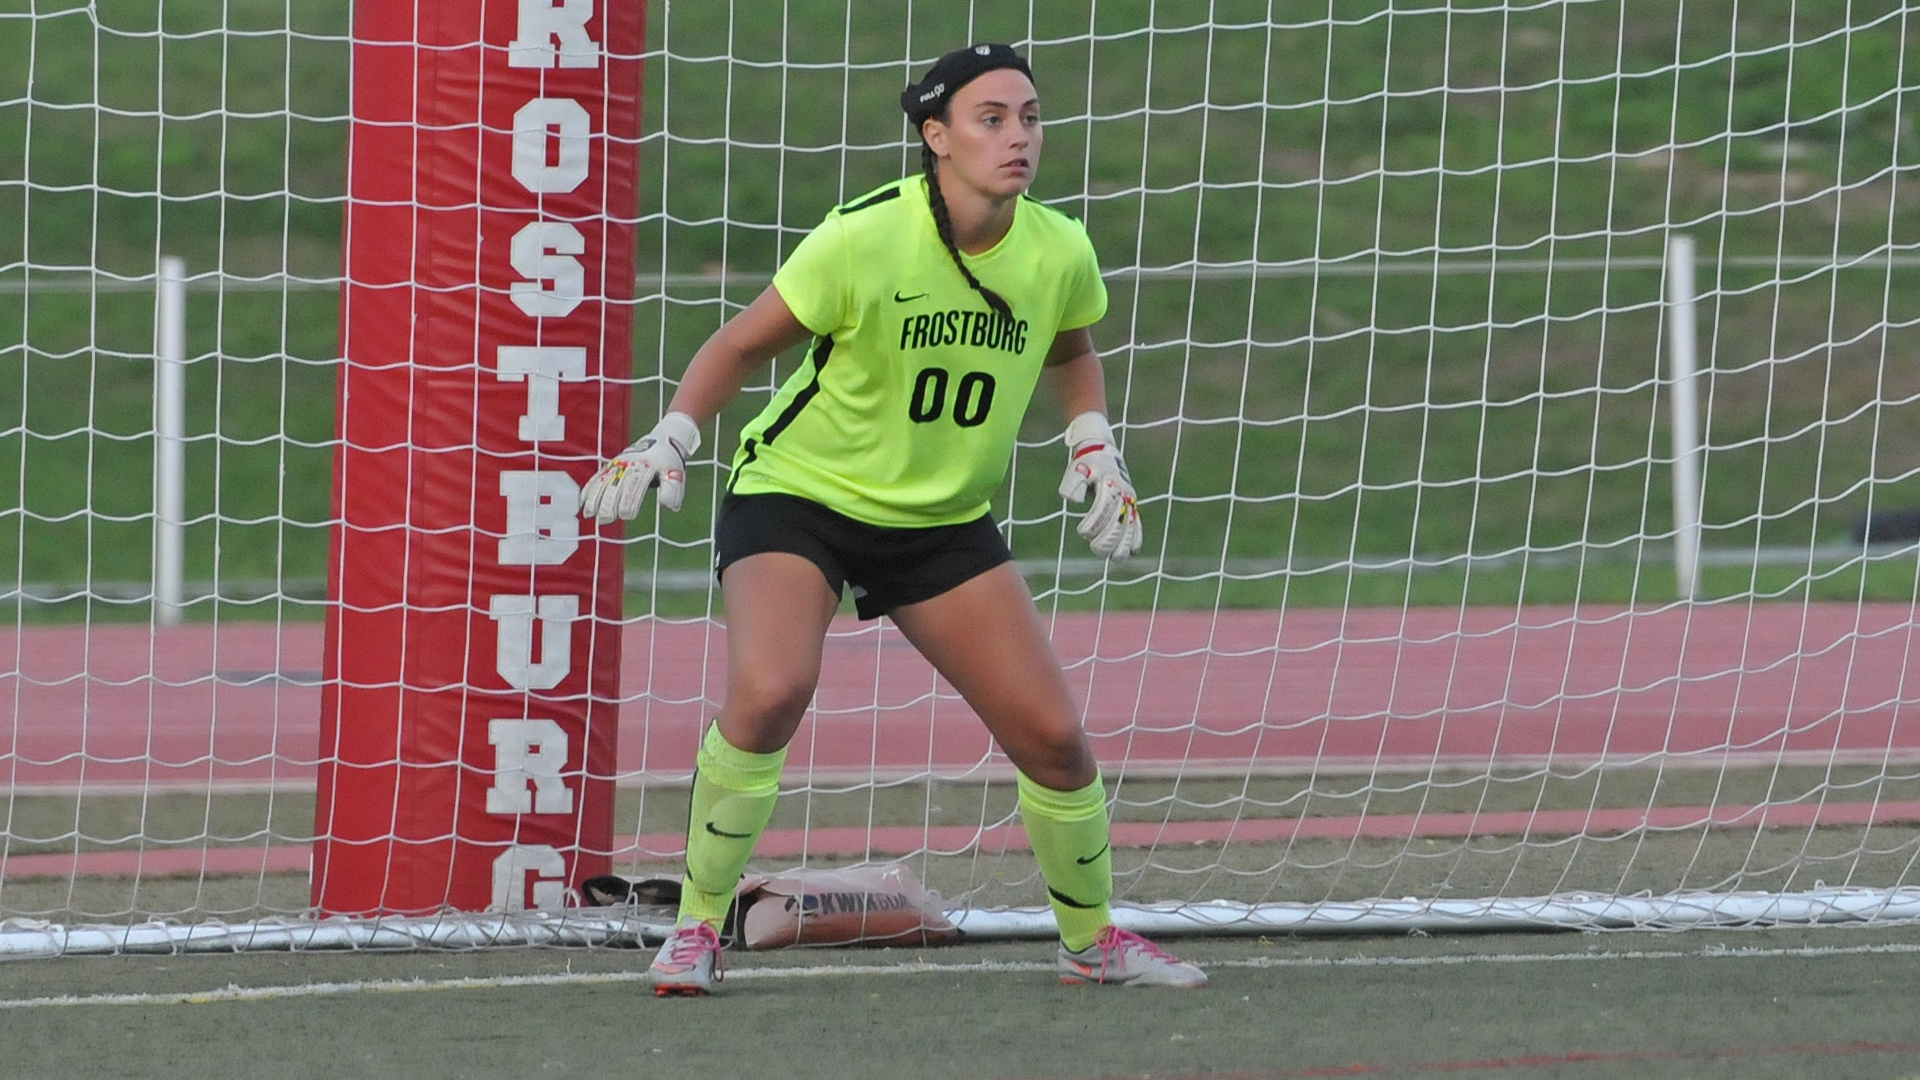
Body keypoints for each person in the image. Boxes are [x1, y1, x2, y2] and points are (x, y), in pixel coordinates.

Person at [579, 43, 1206, 995]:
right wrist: (670, 434)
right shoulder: (865, 236)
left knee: (1055, 741)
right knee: (770, 691)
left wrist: (1092, 441)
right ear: (936, 136)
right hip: (800, 498)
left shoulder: (1057, 247)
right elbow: (741, 342)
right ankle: (699, 929)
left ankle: (1093, 941)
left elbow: (1070, 347)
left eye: (1030, 117)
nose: (1018, 137)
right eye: (991, 118)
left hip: (943, 522)